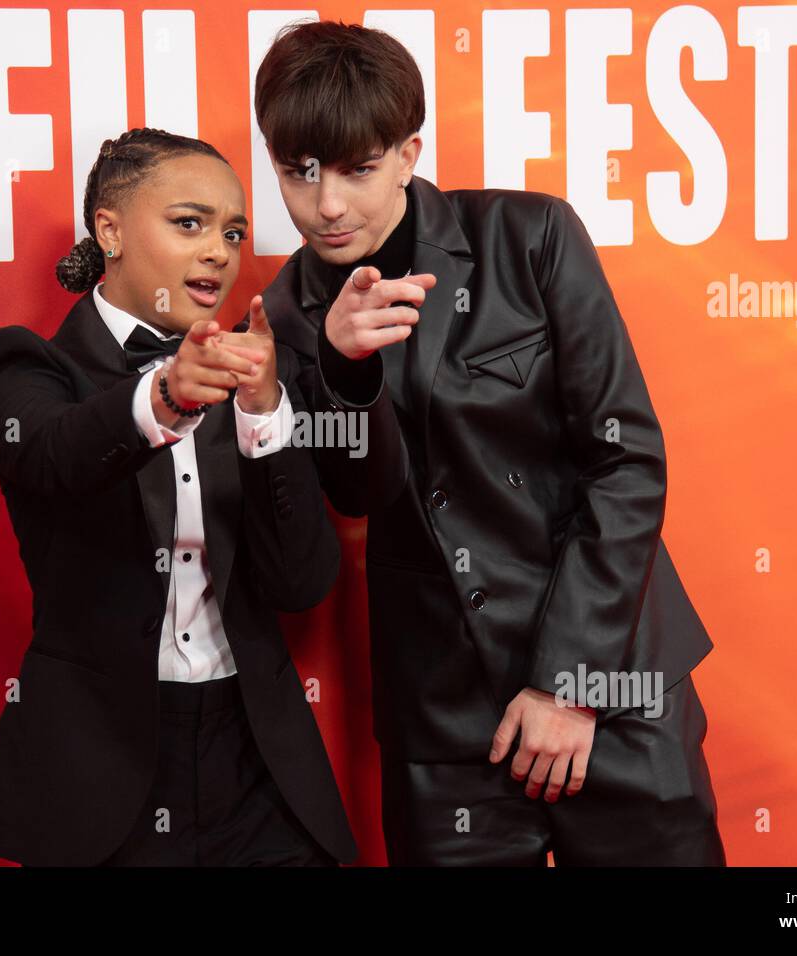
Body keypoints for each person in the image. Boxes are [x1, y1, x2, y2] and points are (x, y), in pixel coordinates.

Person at [254, 20, 727, 865]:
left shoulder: (530, 237)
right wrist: (343, 366)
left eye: (360, 168)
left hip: (611, 689)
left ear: (408, 152)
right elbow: (355, 497)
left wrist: (566, 685)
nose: (327, 205)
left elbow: (626, 459)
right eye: (299, 171)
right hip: (444, 726)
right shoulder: (288, 313)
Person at [0, 127, 356, 866]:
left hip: (258, 766)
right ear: (108, 230)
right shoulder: (27, 367)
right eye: (189, 223)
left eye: (233, 231)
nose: (219, 250)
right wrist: (165, 399)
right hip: (101, 775)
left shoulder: (256, 378)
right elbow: (54, 453)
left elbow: (303, 583)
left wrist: (264, 417)